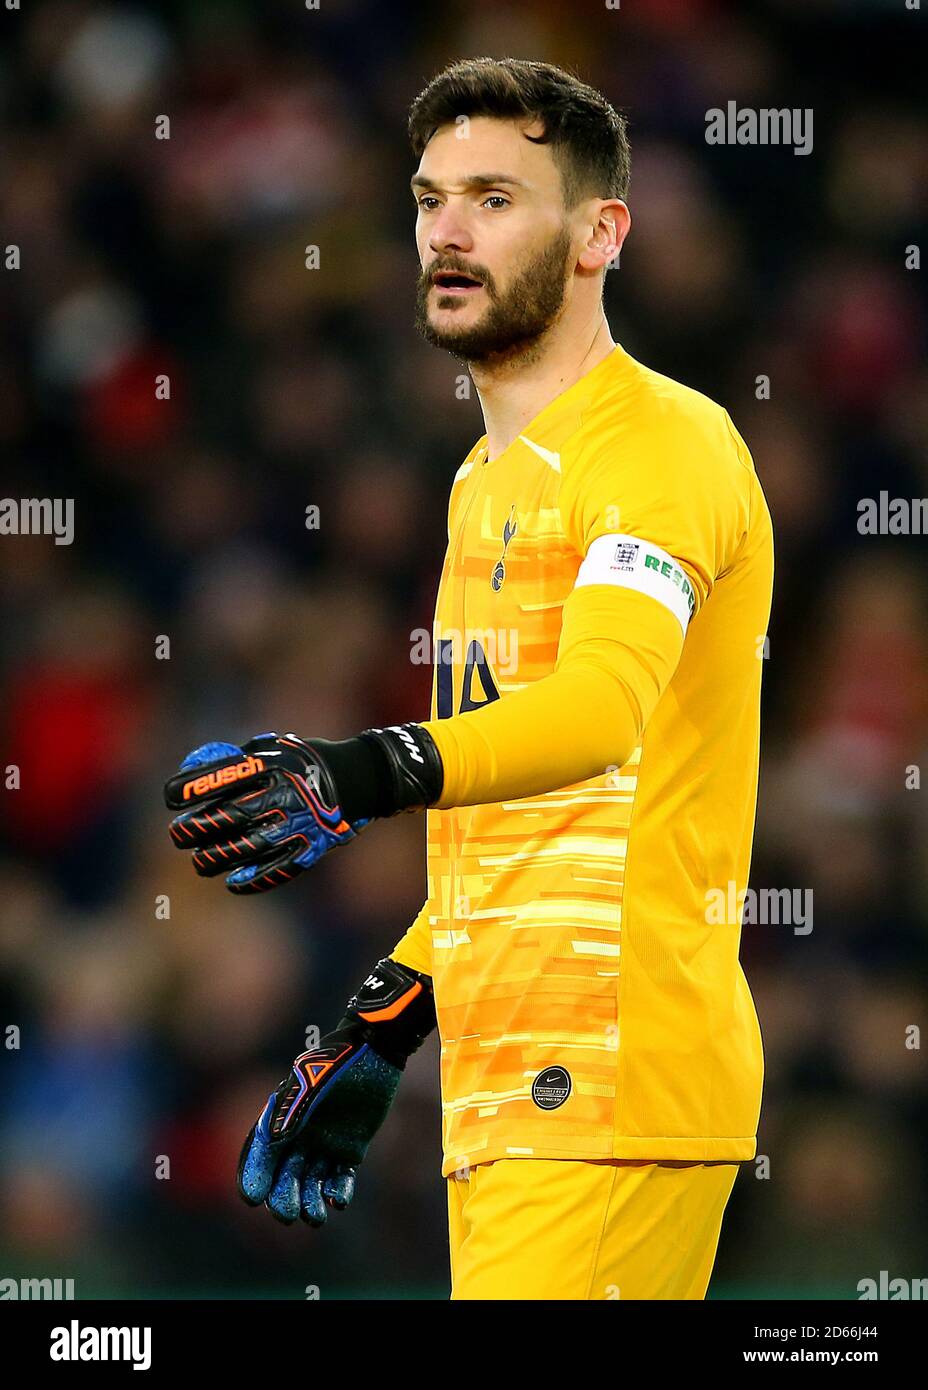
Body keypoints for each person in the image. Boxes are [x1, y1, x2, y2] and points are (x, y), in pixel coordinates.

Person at [165, 57, 774, 1301]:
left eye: (496, 197)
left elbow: (598, 716)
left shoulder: (664, 443)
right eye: (430, 196)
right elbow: (529, 811)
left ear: (601, 231)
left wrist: (355, 770)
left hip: (612, 1075)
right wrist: (384, 1017)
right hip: (521, 1090)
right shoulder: (481, 484)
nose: (447, 228)